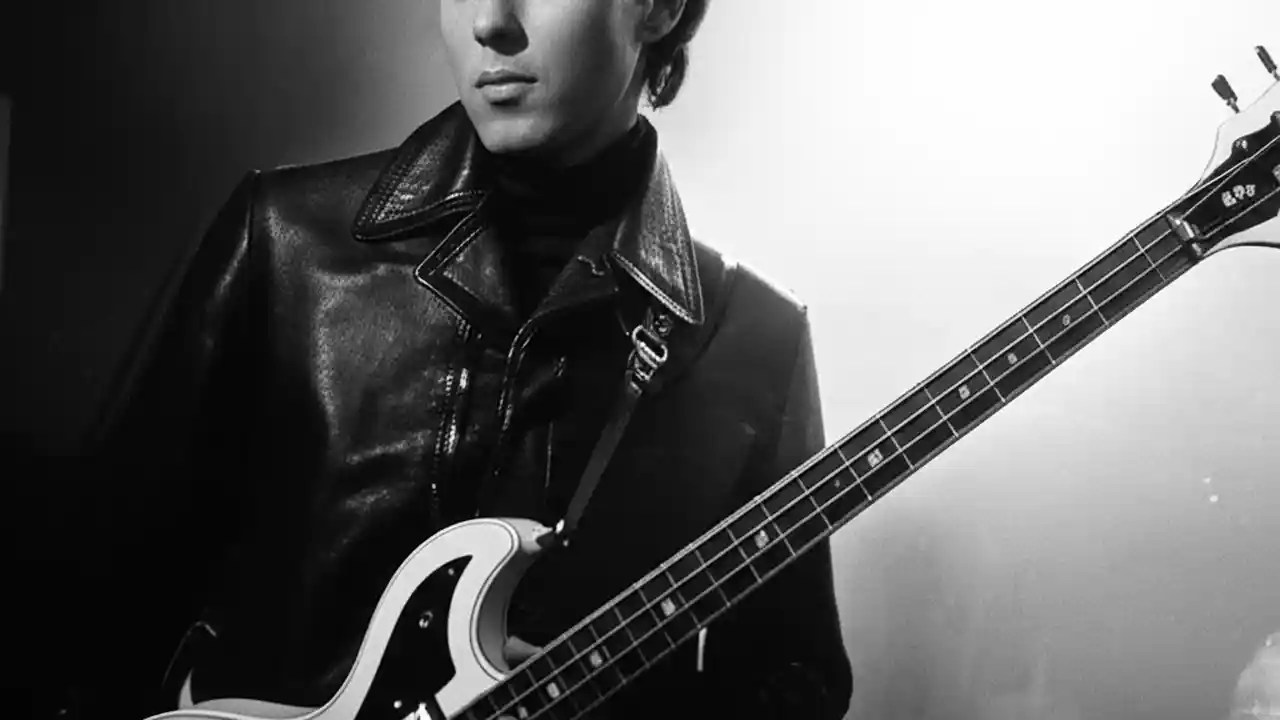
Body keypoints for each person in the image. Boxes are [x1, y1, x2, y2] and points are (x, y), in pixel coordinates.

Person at [84, 1, 853, 718]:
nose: (489, 22)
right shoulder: (285, 244)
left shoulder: (753, 337)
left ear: (659, 6)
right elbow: (88, 614)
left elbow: (792, 684)